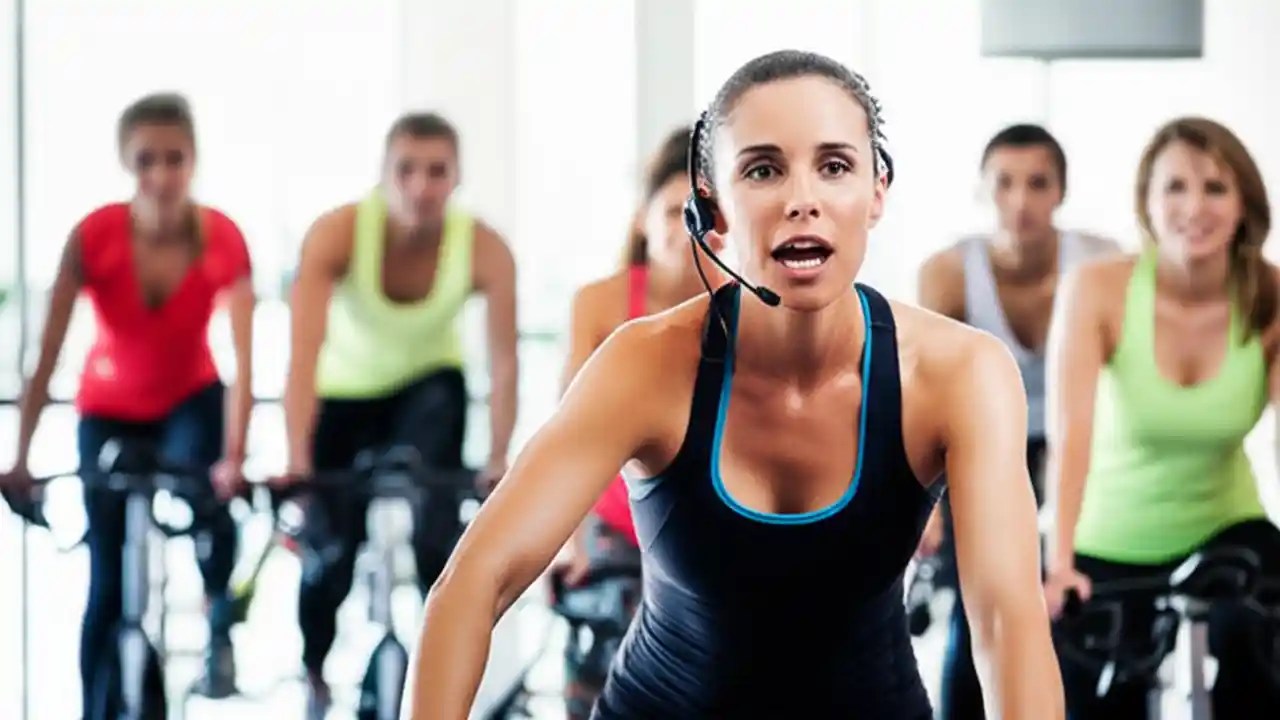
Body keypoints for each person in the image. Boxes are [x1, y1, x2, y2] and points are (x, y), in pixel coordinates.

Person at [403, 49, 1062, 719]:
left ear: (877, 194)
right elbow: (471, 583)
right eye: (763, 170)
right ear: (710, 209)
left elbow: (1007, 623)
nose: (802, 200)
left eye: (834, 166)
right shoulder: (646, 363)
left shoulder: (960, 373)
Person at [0, 92, 255, 712]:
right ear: (126, 163)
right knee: (107, 583)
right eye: (146, 161)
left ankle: (217, 615)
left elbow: (246, 364)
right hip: (107, 409)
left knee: (213, 508)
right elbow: (48, 352)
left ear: (194, 160)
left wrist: (235, 459)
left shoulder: (223, 237)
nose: (161, 176)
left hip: (191, 401)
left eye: (175, 159)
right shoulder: (93, 236)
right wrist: (21, 456)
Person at [281, 111, 517, 716]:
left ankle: (441, 689)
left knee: (441, 542)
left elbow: (503, 362)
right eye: (406, 171)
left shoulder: (484, 247)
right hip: (347, 399)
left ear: (457, 178)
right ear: (383, 175)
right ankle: (315, 670)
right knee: (330, 553)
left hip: (427, 395)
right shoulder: (336, 232)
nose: (421, 186)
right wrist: (297, 461)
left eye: (437, 172)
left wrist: (497, 459)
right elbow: (303, 355)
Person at [1045, 116, 1280, 718]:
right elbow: (1071, 432)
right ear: (1147, 203)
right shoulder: (1097, 287)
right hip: (1112, 535)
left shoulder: (1270, 294)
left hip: (1227, 526)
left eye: (1215, 188)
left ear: (1244, 205)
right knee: (1097, 698)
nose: (1194, 207)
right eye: (1174, 187)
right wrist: (1058, 561)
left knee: (1253, 651)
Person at [915, 123, 1118, 719]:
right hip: (983, 444)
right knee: (976, 606)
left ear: (1061, 192)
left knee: (1065, 603)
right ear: (982, 191)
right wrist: (925, 503)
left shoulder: (1100, 263)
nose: (1021, 201)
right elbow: (926, 392)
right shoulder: (947, 273)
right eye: (1004, 183)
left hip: (1079, 439)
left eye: (1037, 184)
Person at [551, 125, 727, 718]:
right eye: (674, 210)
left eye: (701, 213)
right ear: (642, 219)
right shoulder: (599, 303)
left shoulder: (746, 304)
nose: (687, 230)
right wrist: (565, 543)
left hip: (702, 523)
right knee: (598, 680)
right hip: (613, 521)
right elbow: (566, 432)